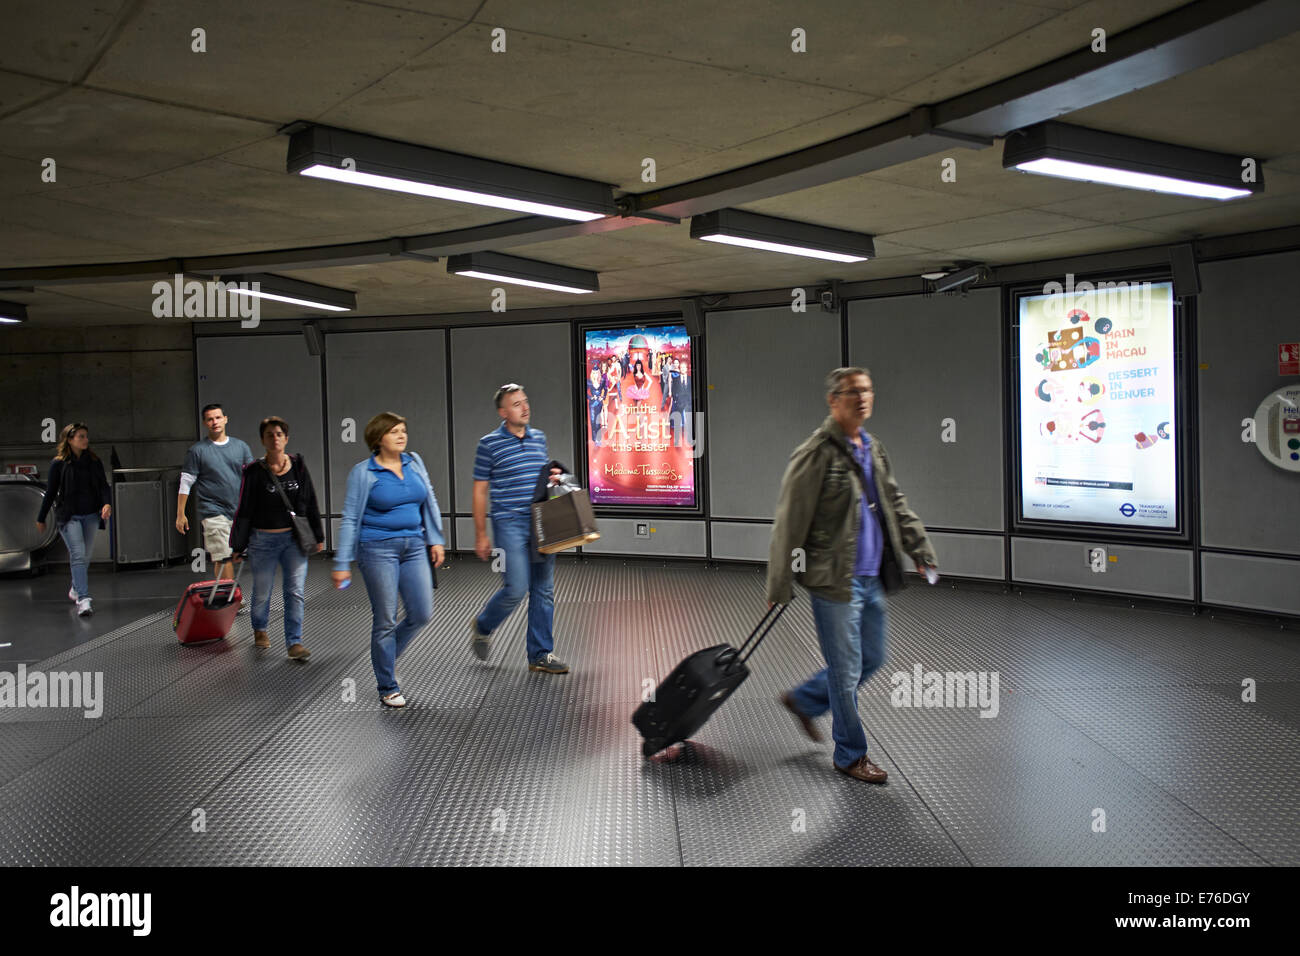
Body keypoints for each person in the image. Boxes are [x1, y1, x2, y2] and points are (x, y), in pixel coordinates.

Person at [766, 367, 939, 784]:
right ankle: (850, 755)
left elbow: (893, 501)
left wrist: (920, 548)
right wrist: (780, 583)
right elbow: (790, 523)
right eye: (851, 392)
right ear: (833, 400)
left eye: (866, 391)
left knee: (873, 657)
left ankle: (805, 700)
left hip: (870, 575)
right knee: (844, 671)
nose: (861, 399)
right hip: (833, 580)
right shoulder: (815, 453)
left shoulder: (872, 448)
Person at [332, 413, 445, 708]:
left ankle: (385, 655)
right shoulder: (363, 472)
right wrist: (342, 562)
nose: (401, 435)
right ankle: (387, 685)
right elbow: (351, 518)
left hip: (415, 546)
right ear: (378, 438)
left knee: (421, 613)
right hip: (377, 548)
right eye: (394, 431)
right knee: (385, 618)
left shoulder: (414, 462)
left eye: (404, 430)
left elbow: (429, 500)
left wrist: (436, 539)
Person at [470, 384, 566, 673]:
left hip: (540, 521)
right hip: (509, 522)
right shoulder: (488, 444)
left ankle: (540, 655)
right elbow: (479, 491)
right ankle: (483, 624)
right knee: (516, 588)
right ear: (503, 412)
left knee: (544, 589)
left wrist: (555, 477)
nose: (524, 407)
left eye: (525, 401)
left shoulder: (539, 438)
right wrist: (480, 534)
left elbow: (542, 479)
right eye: (516, 404)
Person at [229, 417, 325, 659]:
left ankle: (295, 642)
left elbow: (310, 501)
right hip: (263, 541)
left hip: (294, 540)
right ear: (262, 440)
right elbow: (244, 509)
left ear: (286, 438)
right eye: (270, 435)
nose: (275, 438)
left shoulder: (298, 466)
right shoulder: (253, 472)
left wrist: (318, 534)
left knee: (295, 591)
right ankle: (260, 629)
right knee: (262, 590)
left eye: (279, 434)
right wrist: (238, 545)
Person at [178, 404, 254, 609]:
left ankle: (227, 592)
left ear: (225, 419)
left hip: (238, 511)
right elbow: (186, 481)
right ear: (205, 423)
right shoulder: (198, 451)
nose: (215, 422)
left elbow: (252, 477)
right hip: (213, 511)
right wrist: (180, 513)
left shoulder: (240, 447)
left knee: (227, 557)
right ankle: (232, 599)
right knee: (223, 555)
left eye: (218, 418)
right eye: (210, 419)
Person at [36, 422, 111, 616]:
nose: (85, 440)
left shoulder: (94, 461)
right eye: (80, 437)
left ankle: (76, 587)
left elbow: (103, 486)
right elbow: (51, 492)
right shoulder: (59, 464)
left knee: (85, 555)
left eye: (86, 436)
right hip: (69, 516)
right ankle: (83, 599)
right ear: (69, 440)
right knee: (77, 554)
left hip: (91, 514)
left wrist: (106, 503)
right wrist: (41, 517)